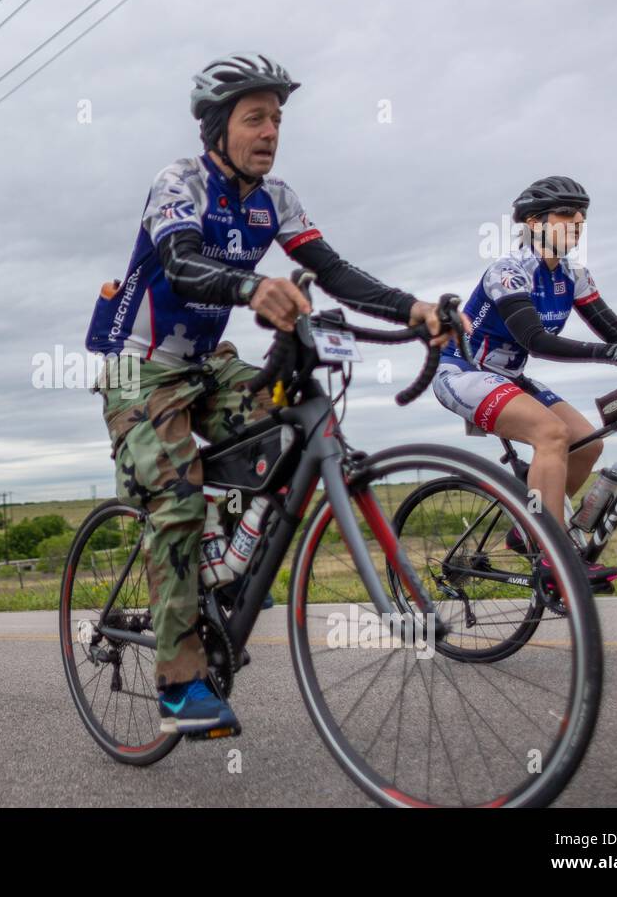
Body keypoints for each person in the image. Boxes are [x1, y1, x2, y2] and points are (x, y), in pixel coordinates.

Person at [84, 52, 449, 737]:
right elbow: (183, 263)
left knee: (285, 428)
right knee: (178, 496)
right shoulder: (178, 182)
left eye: (277, 120)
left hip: (204, 361)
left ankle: (224, 563)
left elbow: (334, 270)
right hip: (136, 364)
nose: (270, 132)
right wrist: (253, 286)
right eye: (255, 118)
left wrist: (413, 309)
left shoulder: (275, 199)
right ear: (218, 127)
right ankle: (178, 682)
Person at [432, 175, 617, 589]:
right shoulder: (508, 272)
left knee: (587, 441)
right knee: (552, 434)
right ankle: (555, 559)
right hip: (461, 373)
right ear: (534, 223)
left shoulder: (573, 275)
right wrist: (610, 355)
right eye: (567, 213)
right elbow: (534, 340)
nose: (578, 221)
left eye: (582, 215)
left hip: (508, 376)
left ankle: (530, 528)